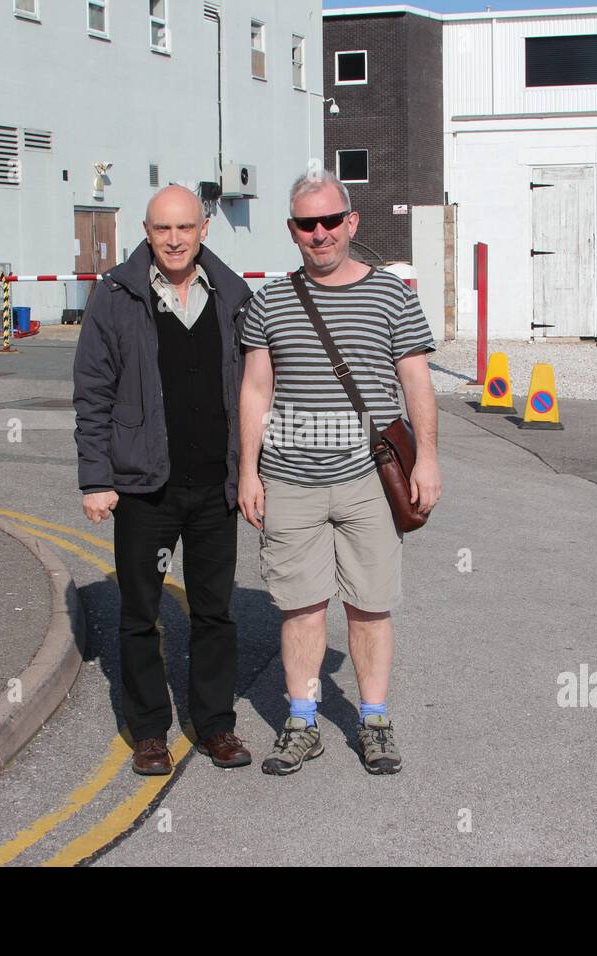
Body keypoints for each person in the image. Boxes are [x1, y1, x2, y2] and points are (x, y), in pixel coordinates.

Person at [238, 169, 442, 776]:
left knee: (370, 605)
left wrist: (427, 460)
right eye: (308, 224)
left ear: (351, 222)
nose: (320, 233)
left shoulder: (393, 295)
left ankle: (373, 719)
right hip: (290, 480)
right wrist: (248, 471)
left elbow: (416, 383)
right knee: (300, 607)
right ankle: (303, 721)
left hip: (369, 480)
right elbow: (255, 390)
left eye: (331, 220)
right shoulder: (270, 299)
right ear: (292, 230)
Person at [73, 184, 252, 775]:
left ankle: (215, 725)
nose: (174, 240)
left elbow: (256, 391)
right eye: (161, 229)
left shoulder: (232, 293)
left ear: (203, 229)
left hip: (213, 487)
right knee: (139, 614)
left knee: (214, 613)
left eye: (184, 228)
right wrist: (95, 479)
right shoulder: (116, 296)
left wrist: (253, 471)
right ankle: (149, 730)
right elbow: (92, 392)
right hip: (143, 488)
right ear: (147, 233)